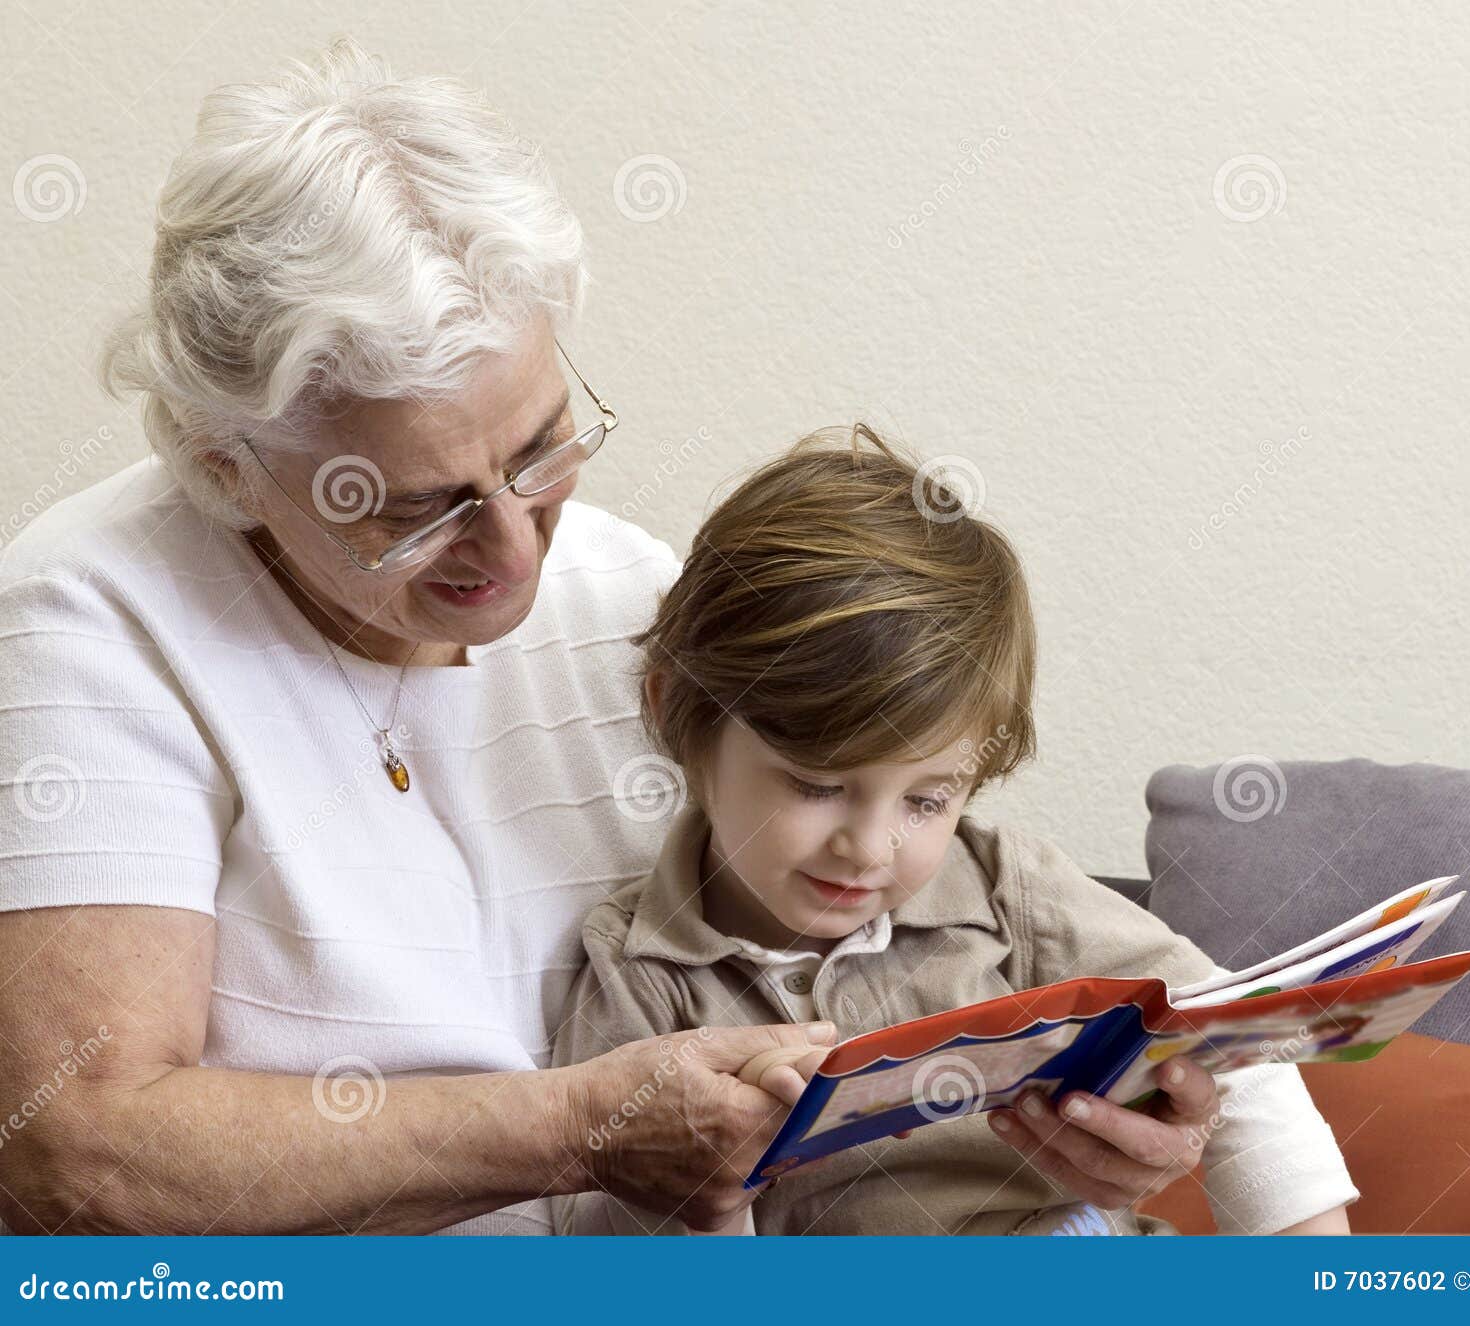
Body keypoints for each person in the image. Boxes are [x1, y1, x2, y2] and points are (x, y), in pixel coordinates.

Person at [0, 35, 831, 1237]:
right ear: (229, 466)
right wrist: (571, 1130)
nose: (513, 551)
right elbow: (79, 1156)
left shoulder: (633, 590)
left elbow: (851, 923)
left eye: (542, 448)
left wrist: (1052, 1104)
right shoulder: (87, 622)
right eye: (416, 509)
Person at [552, 426, 1360, 1236]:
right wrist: (721, 1185)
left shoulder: (1010, 892)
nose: (872, 848)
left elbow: (1237, 1045)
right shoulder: (638, 973)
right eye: (817, 784)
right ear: (674, 713)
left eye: (928, 801)